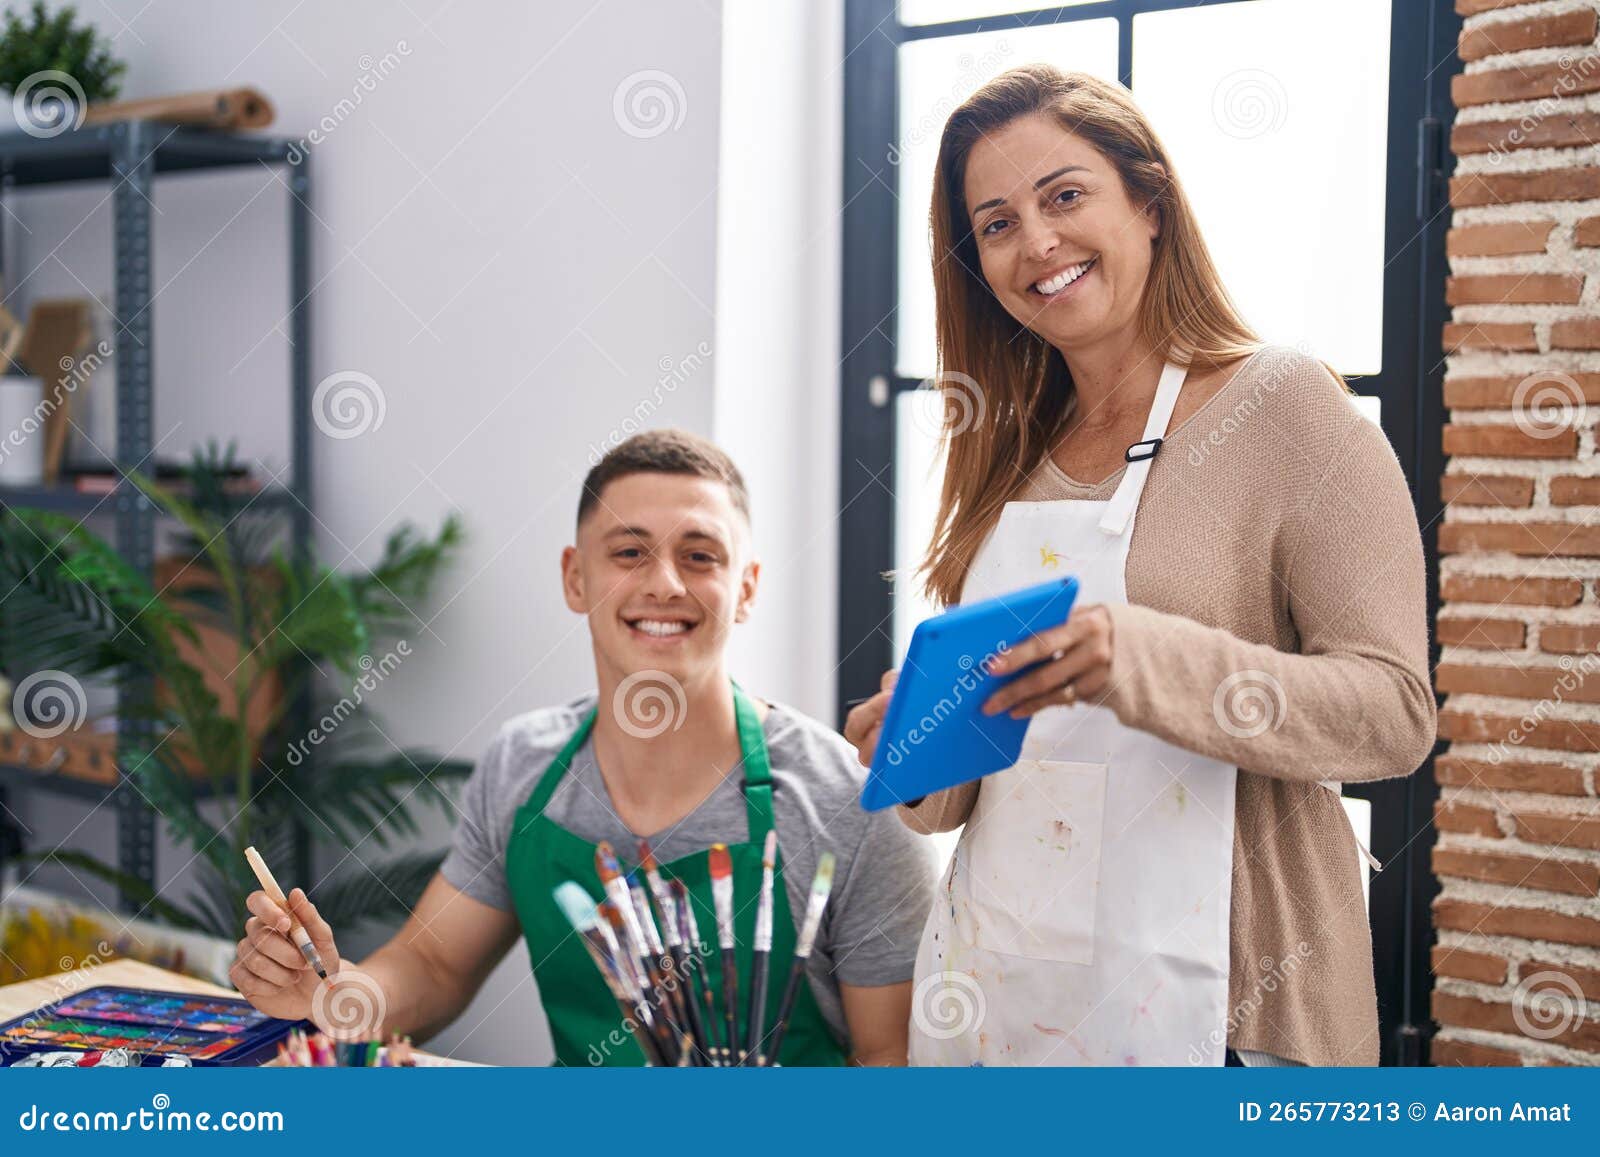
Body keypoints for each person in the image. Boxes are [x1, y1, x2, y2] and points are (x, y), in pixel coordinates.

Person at [844, 66, 1435, 1067]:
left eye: (1065, 195)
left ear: (1149, 203)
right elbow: (983, 784)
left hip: (1221, 1016)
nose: (1038, 242)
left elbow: (1393, 714)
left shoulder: (1283, 405)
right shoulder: (1008, 450)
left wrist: (1146, 656)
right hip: (1004, 998)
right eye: (996, 223)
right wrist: (919, 741)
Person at [233, 428, 935, 1065]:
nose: (664, 583)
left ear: (746, 588)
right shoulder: (523, 766)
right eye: (630, 553)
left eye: (700, 556)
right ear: (576, 578)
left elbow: (890, 1062)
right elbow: (433, 966)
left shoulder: (848, 800)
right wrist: (332, 992)